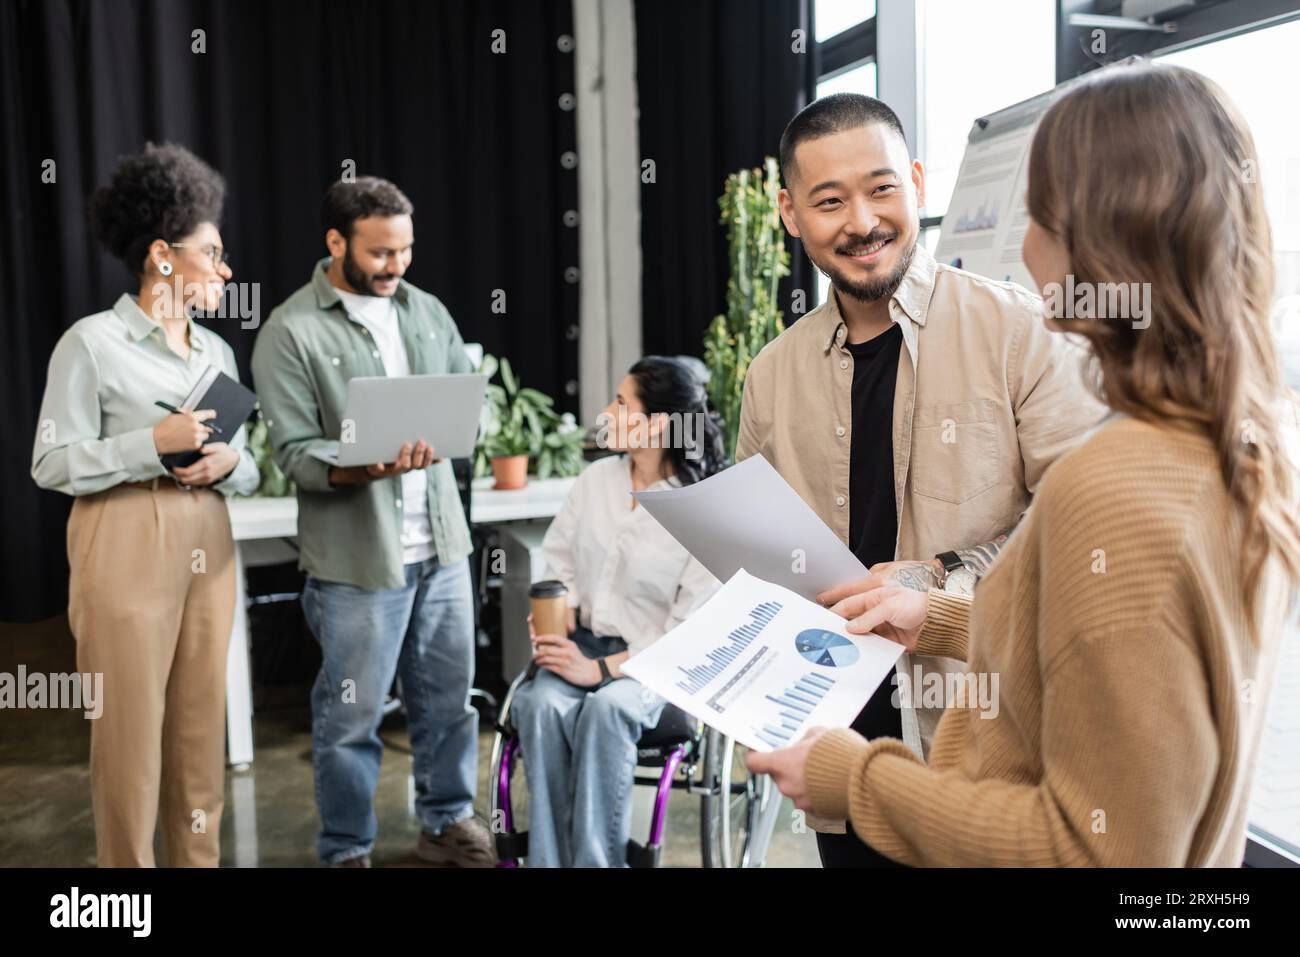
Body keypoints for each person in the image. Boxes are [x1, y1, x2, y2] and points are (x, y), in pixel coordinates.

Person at [750, 61, 1300, 866]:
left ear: (1093, 240)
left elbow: (1094, 847)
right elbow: (1098, 656)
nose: (1024, 240)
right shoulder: (1230, 440)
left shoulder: (1114, 484)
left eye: (1039, 211)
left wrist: (853, 776)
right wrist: (933, 615)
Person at [736, 92, 1106, 866]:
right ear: (789, 212)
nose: (862, 221)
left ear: (916, 182)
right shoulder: (771, 375)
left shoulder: (1018, 334)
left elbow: (1081, 530)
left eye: (880, 189)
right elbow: (759, 553)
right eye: (829, 201)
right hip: (835, 740)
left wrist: (937, 578)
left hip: (982, 743)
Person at [251, 176, 491, 867]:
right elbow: (294, 454)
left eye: (406, 250)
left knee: (449, 704)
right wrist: (367, 463)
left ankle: (445, 821)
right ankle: (346, 847)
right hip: (356, 564)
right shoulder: (291, 330)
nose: (397, 265)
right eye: (382, 252)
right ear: (336, 242)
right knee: (350, 717)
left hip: (441, 550)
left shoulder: (427, 312)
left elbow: (466, 404)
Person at [31, 142, 260, 866]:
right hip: (123, 535)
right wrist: (148, 442)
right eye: (211, 254)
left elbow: (243, 463)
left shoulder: (217, 354)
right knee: (128, 738)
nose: (225, 272)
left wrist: (233, 462)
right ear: (163, 254)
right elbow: (49, 461)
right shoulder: (90, 345)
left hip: (209, 540)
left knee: (200, 735)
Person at [509, 357, 723, 867]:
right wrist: (559, 607)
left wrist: (601, 670)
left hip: (656, 665)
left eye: (622, 402)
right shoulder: (597, 481)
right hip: (586, 638)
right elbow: (557, 558)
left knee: (609, 709)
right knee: (539, 706)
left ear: (659, 424)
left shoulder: (701, 509)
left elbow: (687, 634)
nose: (606, 411)